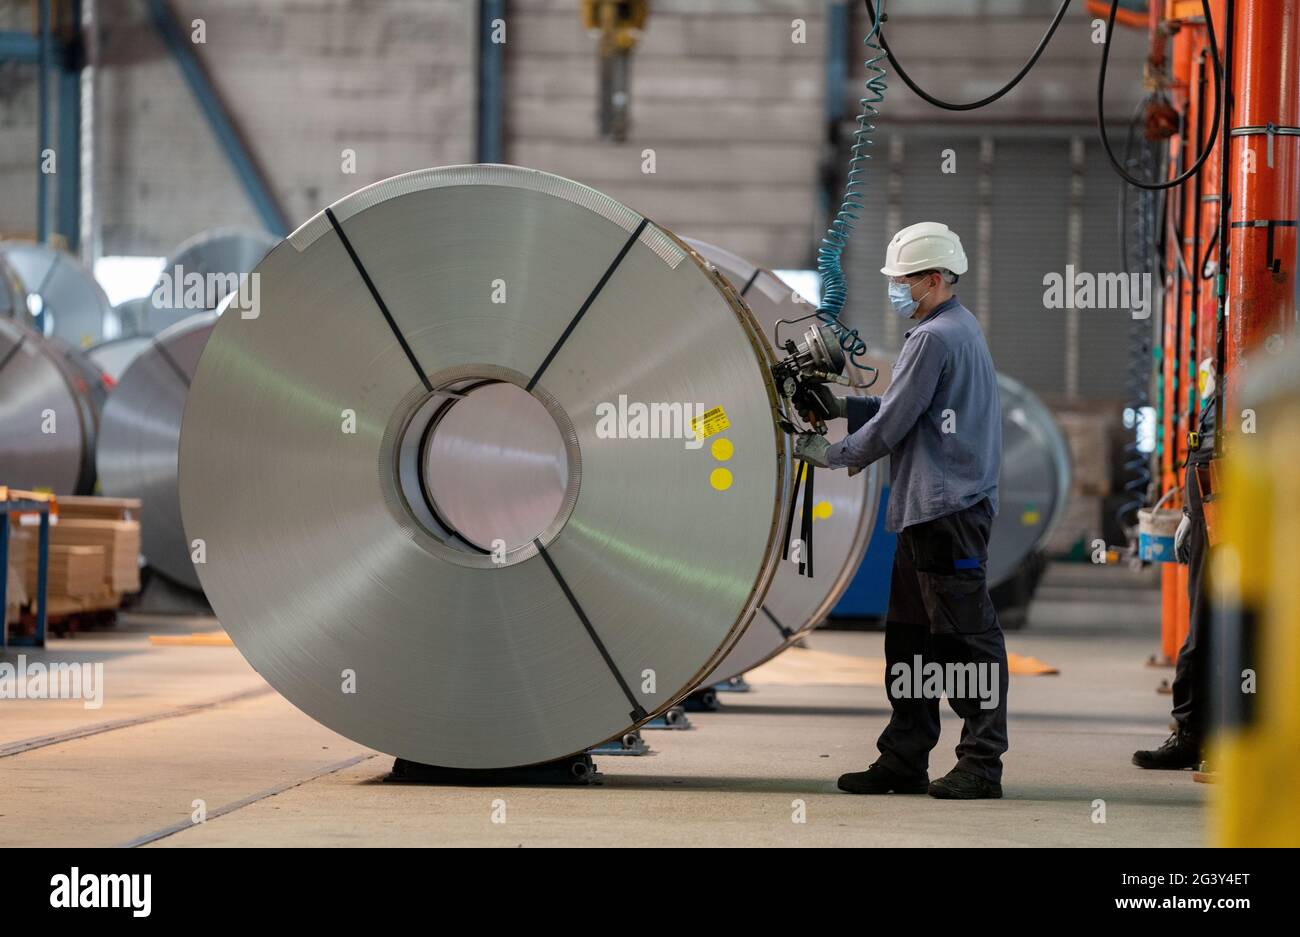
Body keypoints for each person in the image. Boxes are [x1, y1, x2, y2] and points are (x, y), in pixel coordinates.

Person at [795, 222, 1008, 799]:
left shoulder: (935, 337)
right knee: (911, 640)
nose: (896, 290)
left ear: (934, 279)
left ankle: (981, 764)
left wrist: (830, 453)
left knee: (965, 640)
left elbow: (895, 423)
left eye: (902, 280)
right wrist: (842, 404)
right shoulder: (954, 329)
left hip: (949, 511)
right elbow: (902, 405)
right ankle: (905, 757)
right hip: (929, 512)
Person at [1132, 388, 1217, 770]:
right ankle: (1193, 733)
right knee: (1205, 623)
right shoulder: (1228, 376)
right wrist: (1189, 509)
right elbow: (1205, 448)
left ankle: (1201, 736)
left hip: (1226, 506)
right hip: (1209, 505)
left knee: (1212, 626)